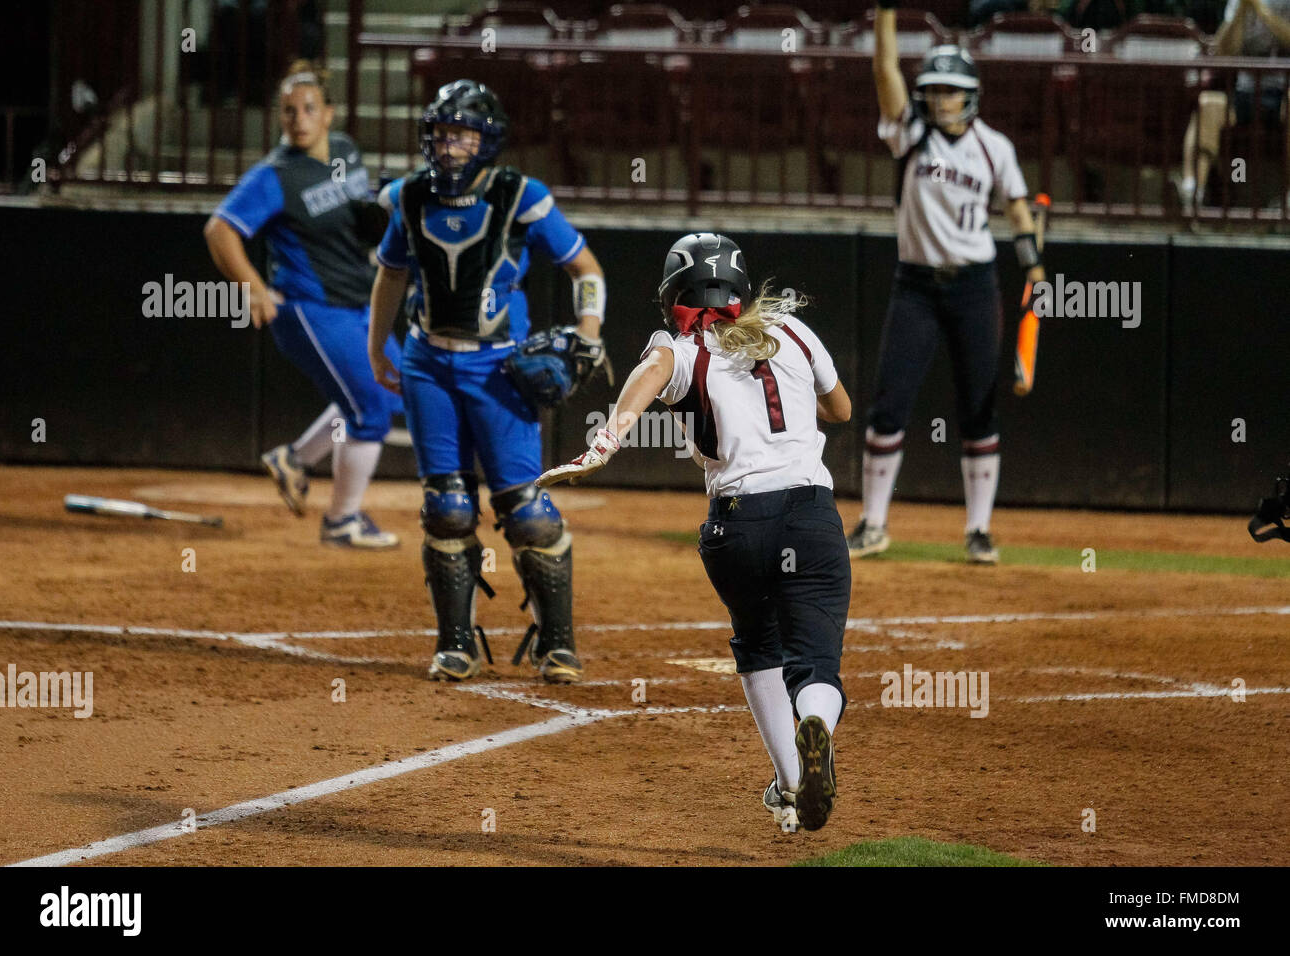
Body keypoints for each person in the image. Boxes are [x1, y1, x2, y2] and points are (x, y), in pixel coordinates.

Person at [539, 233, 853, 833]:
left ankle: (792, 782)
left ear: (674, 294)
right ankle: (814, 720)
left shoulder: (682, 348)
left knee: (757, 645)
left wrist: (610, 435)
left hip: (736, 526)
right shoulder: (791, 329)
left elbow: (652, 369)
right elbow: (839, 410)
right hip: (810, 514)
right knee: (814, 663)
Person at [367, 80, 608, 684]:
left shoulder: (520, 196)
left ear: (486, 140)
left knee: (525, 511)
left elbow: (585, 268)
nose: (448, 147)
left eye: (461, 135)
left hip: (499, 366)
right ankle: (455, 644)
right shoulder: (408, 197)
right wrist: (378, 347)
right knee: (445, 506)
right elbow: (391, 275)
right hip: (427, 363)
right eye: (441, 135)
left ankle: (558, 643)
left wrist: (589, 331)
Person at [849, 5, 1045, 565]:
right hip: (915, 286)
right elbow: (886, 74)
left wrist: (1034, 268)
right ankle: (873, 523)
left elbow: (1016, 208)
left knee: (978, 407)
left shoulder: (994, 147)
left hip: (974, 287)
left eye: (949, 92)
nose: (938, 100)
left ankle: (978, 530)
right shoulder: (912, 135)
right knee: (889, 403)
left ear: (971, 95)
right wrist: (885, 15)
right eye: (932, 90)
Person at [204, 60, 403, 549]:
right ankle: (341, 521)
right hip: (310, 310)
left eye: (309, 108)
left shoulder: (344, 151)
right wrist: (251, 284)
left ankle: (294, 458)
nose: (298, 119)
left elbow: (357, 214)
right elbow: (220, 230)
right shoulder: (275, 175)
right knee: (371, 409)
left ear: (329, 113)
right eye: (288, 111)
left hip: (359, 300)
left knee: (393, 387)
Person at [1176, 0, 1290, 212]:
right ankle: (1192, 194)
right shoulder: (1238, 3)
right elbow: (1224, 51)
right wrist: (1241, 12)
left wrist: (1261, 11)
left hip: (1283, 91)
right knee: (1207, 105)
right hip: (1245, 90)